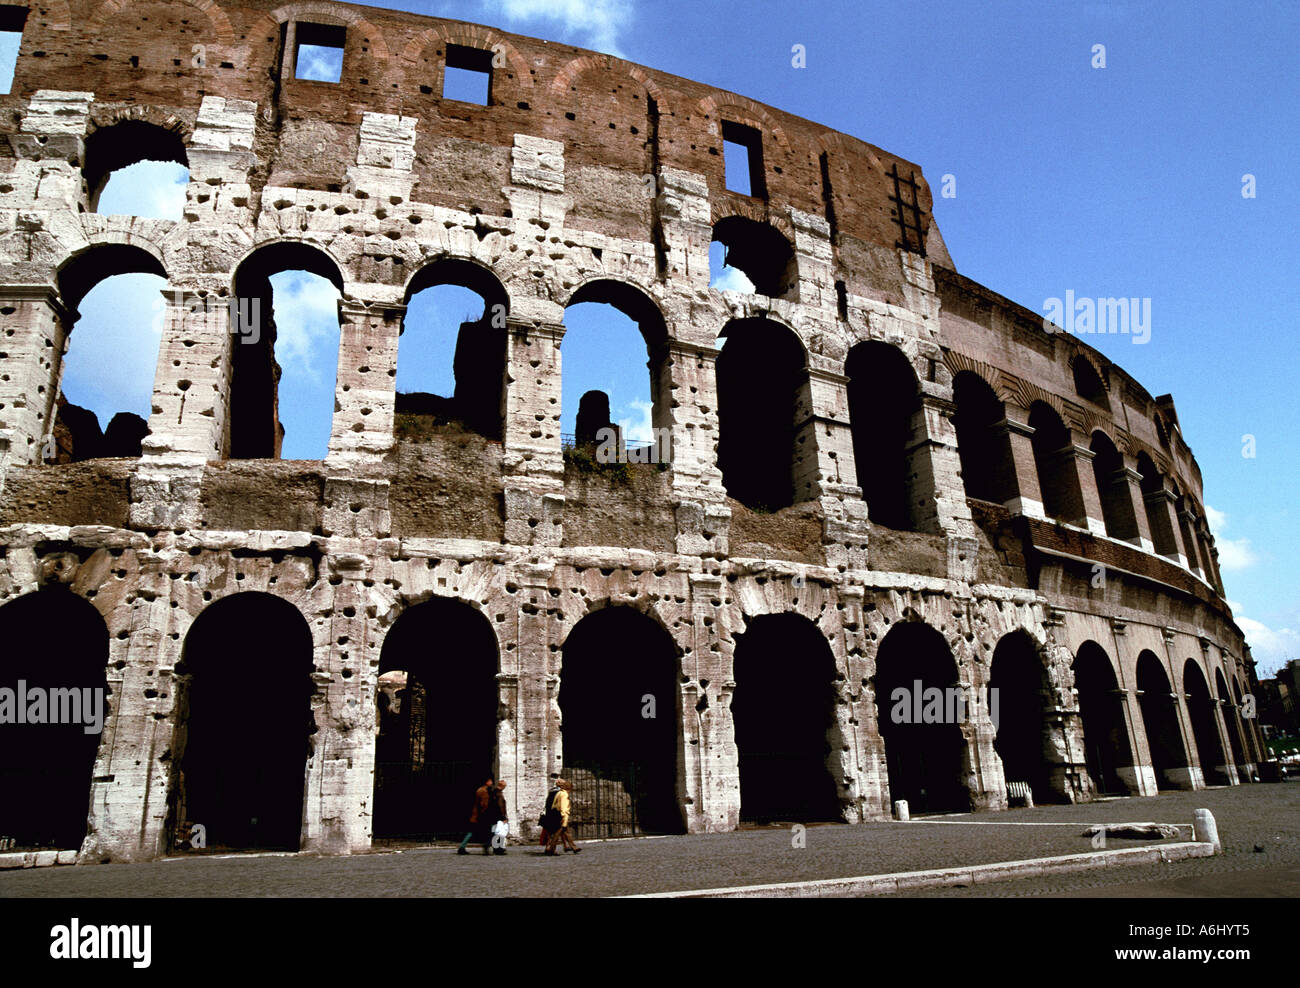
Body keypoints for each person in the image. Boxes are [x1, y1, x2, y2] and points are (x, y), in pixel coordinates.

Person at [457, 777, 494, 855]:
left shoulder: (480, 790)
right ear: (486, 782)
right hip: (480, 816)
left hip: (476, 815)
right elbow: (483, 804)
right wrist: (485, 814)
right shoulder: (484, 791)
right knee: (487, 831)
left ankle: (462, 847)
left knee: (471, 831)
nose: (491, 783)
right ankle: (486, 847)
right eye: (490, 781)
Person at [544, 779, 580, 855]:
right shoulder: (564, 794)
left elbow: (552, 804)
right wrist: (564, 817)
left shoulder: (558, 793)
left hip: (554, 814)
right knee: (556, 834)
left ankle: (574, 847)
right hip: (560, 816)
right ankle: (551, 849)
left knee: (565, 832)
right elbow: (564, 807)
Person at [487, 779, 509, 855]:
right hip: (498, 817)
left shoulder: (493, 792)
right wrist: (503, 817)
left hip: (493, 816)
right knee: (500, 833)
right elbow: (500, 806)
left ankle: (494, 847)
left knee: (495, 832)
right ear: (502, 786)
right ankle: (499, 849)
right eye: (504, 786)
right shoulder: (499, 794)